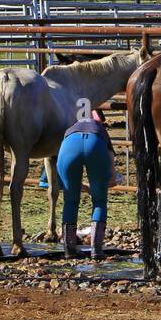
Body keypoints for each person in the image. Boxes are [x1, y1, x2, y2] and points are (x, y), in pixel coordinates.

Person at [56, 107, 116, 260]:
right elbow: (111, 168)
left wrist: (82, 188)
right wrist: (104, 183)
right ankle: (96, 250)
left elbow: (61, 176)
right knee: (99, 201)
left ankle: (69, 250)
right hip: (96, 145)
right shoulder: (101, 129)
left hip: (69, 146)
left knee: (70, 201)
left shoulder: (70, 128)